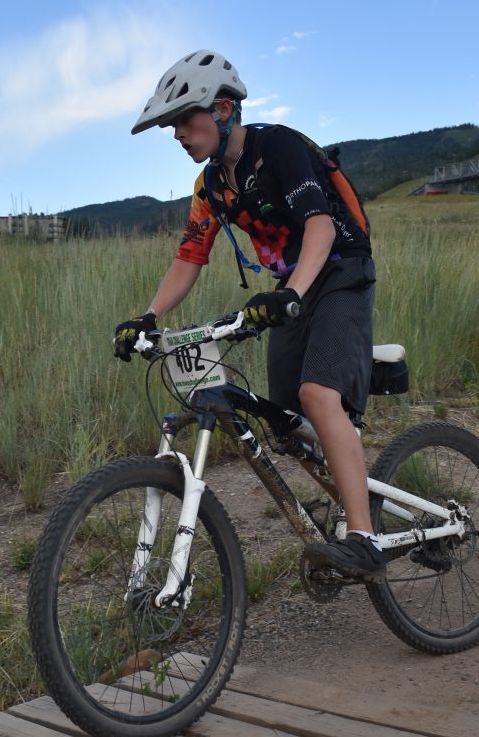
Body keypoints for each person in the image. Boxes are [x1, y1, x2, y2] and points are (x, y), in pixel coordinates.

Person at [113, 49, 383, 579]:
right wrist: (146, 317)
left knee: (317, 395)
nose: (177, 135)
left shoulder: (277, 147)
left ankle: (365, 538)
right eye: (171, 125)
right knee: (286, 423)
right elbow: (190, 255)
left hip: (340, 270)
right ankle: (354, 499)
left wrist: (292, 294)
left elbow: (321, 227)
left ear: (221, 109)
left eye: (182, 121)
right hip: (293, 285)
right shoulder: (211, 185)